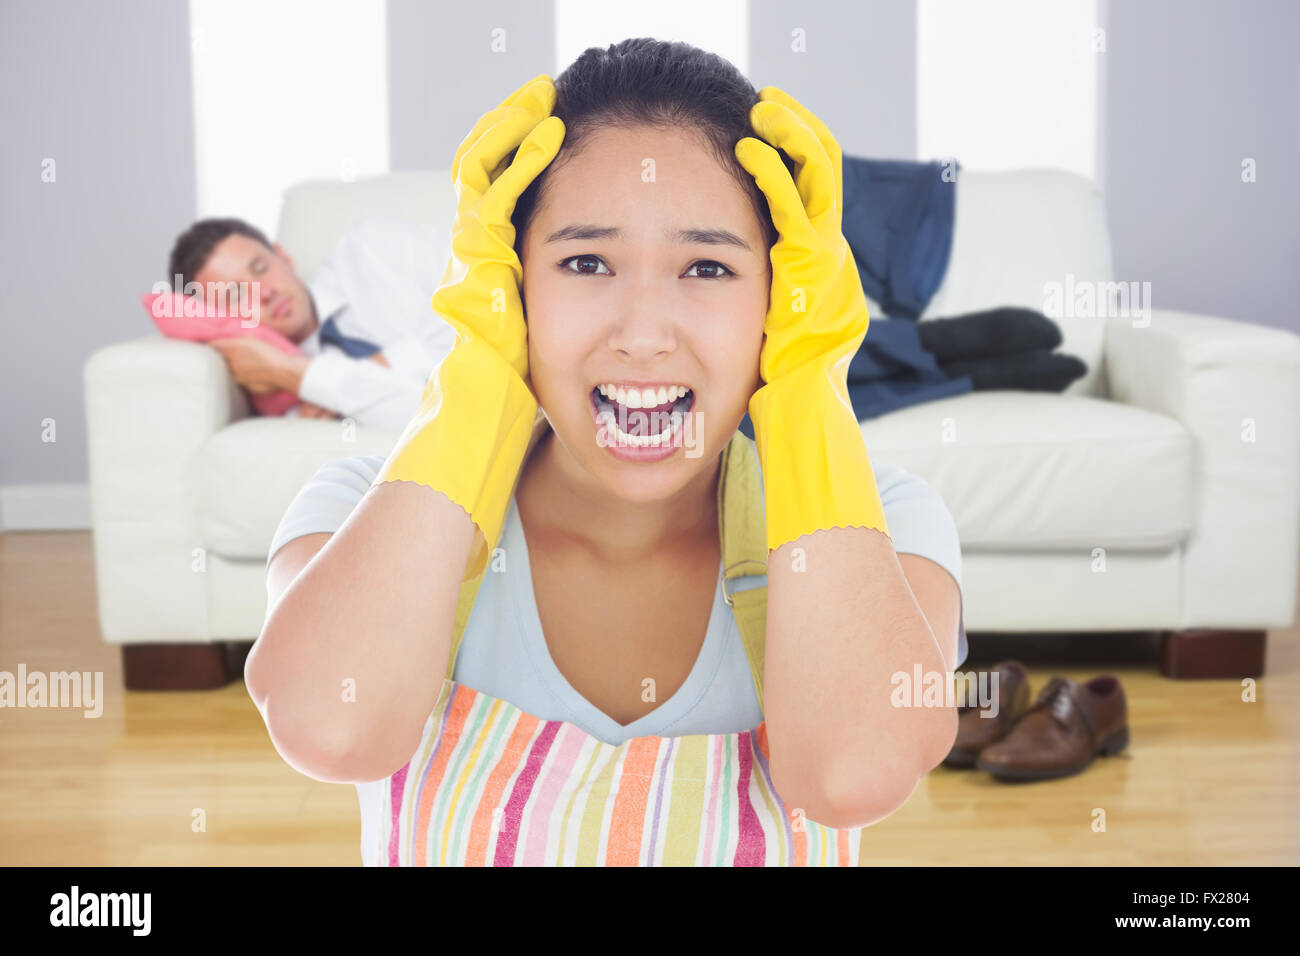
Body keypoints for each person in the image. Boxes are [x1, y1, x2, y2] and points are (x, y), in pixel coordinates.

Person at [246, 40, 967, 866]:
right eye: (585, 262)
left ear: (780, 294)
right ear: (512, 285)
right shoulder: (355, 511)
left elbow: (853, 777)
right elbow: (331, 731)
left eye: (707, 267)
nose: (644, 337)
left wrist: (808, 386)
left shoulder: (884, 526)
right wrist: (479, 371)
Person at [166, 215, 455, 431]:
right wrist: (295, 374)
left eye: (261, 268)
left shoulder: (372, 248)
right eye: (237, 295)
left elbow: (486, 315)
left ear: (283, 256)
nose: (265, 293)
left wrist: (362, 372)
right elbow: (437, 423)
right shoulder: (297, 407)